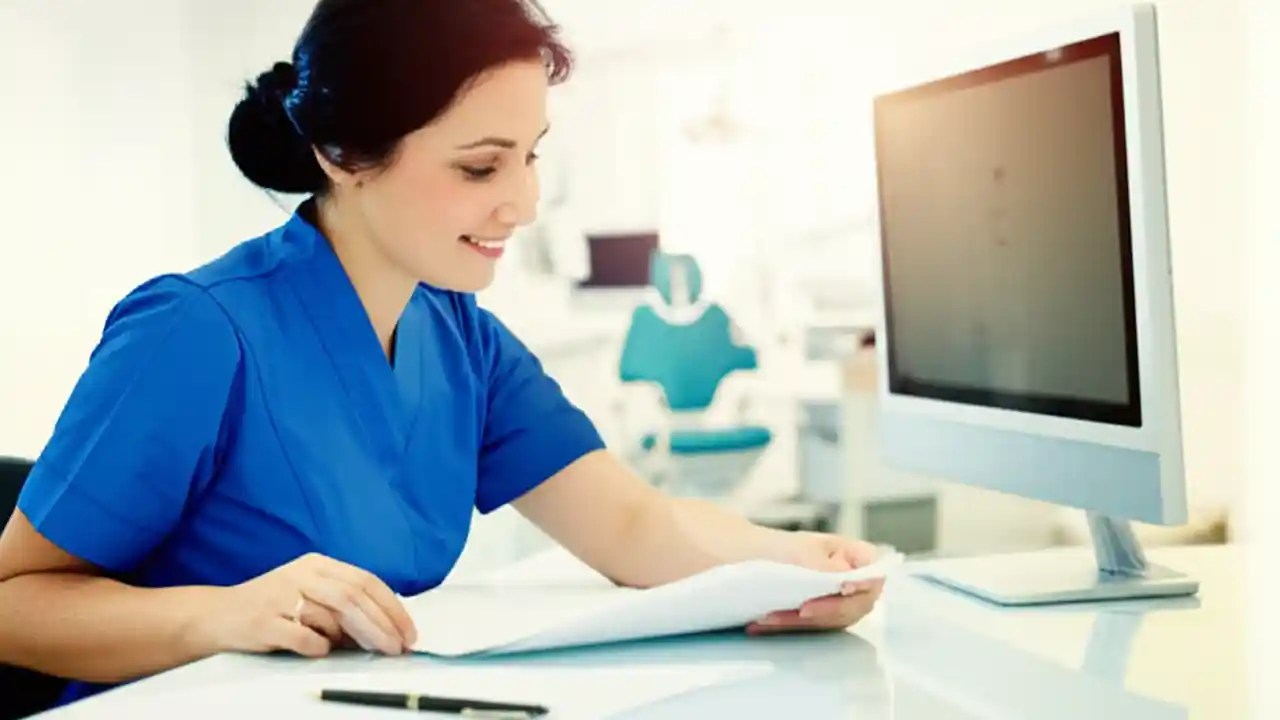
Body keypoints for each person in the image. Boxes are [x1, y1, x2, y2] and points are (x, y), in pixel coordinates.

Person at [0, 0, 884, 705]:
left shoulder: (463, 340)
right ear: (345, 154)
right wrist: (220, 617)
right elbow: (12, 606)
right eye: (481, 167)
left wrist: (805, 566)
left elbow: (633, 528)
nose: (526, 203)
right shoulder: (195, 333)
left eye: (531, 158)